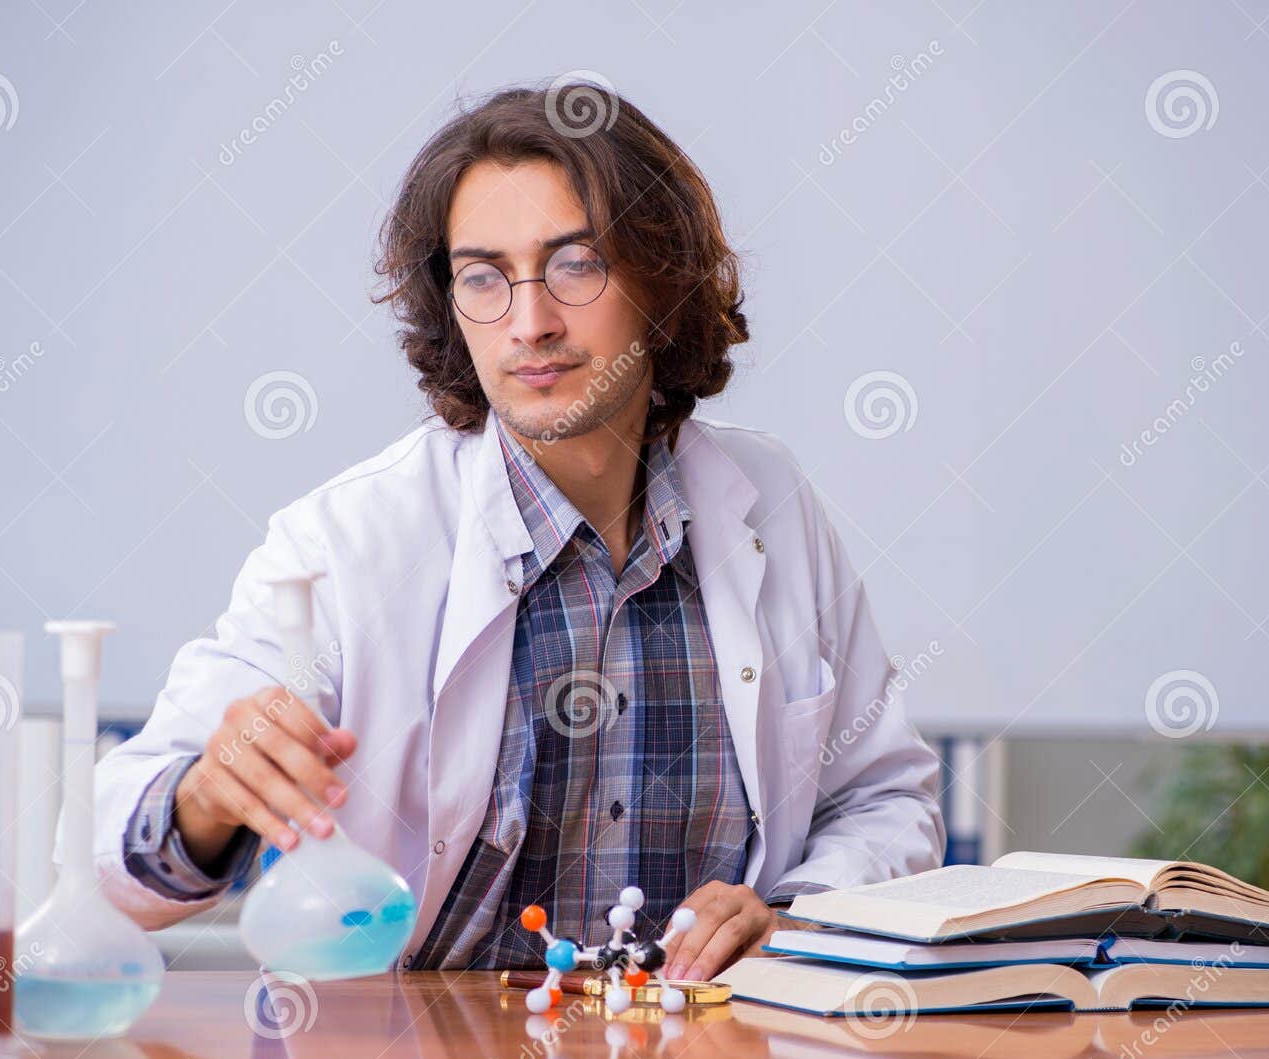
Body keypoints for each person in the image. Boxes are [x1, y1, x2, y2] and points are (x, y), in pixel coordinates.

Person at [92, 82, 945, 982]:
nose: (530, 323)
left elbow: (884, 799)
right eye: (483, 278)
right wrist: (205, 798)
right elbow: (120, 860)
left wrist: (788, 917)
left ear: (662, 279)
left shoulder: (767, 501)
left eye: (576, 265)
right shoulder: (348, 542)